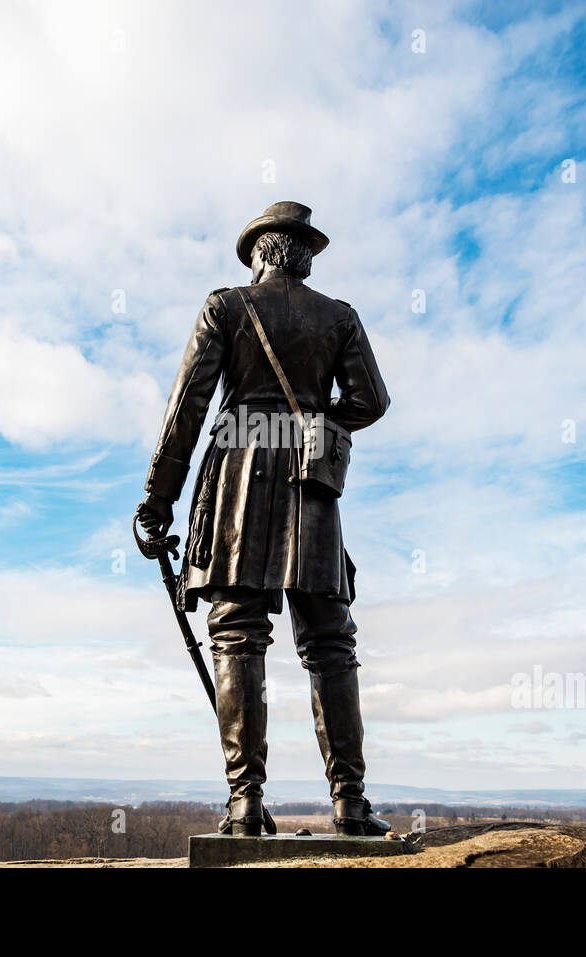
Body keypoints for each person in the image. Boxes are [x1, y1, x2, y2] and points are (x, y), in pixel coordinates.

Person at [137, 201, 390, 837]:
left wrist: (158, 499)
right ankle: (350, 804)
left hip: (237, 475)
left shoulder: (226, 307)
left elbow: (187, 409)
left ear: (259, 254)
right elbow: (370, 401)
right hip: (311, 482)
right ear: (302, 257)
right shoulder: (339, 316)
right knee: (330, 640)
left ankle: (244, 805)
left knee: (236, 634)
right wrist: (314, 422)